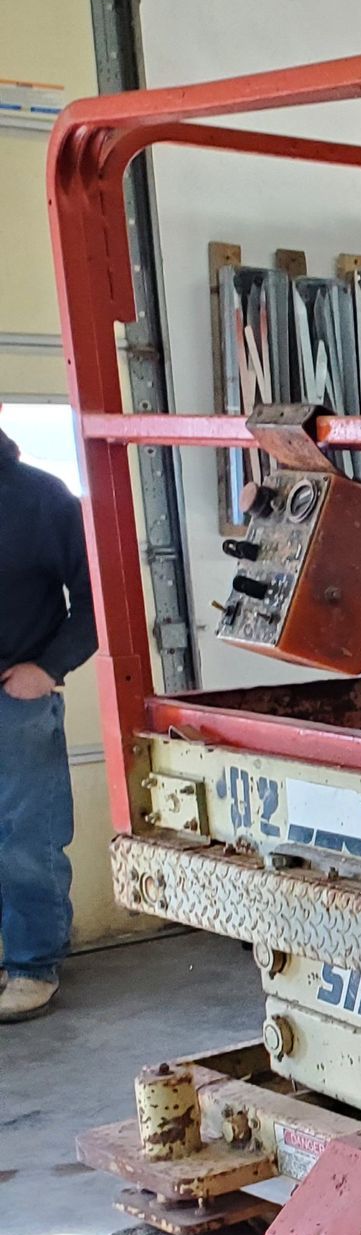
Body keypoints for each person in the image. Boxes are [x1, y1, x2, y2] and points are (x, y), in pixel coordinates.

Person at [0, 415, 97, 1023]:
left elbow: (96, 602)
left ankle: (33, 966)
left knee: (24, 840)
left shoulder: (40, 498)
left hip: (15, 701)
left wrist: (49, 667)